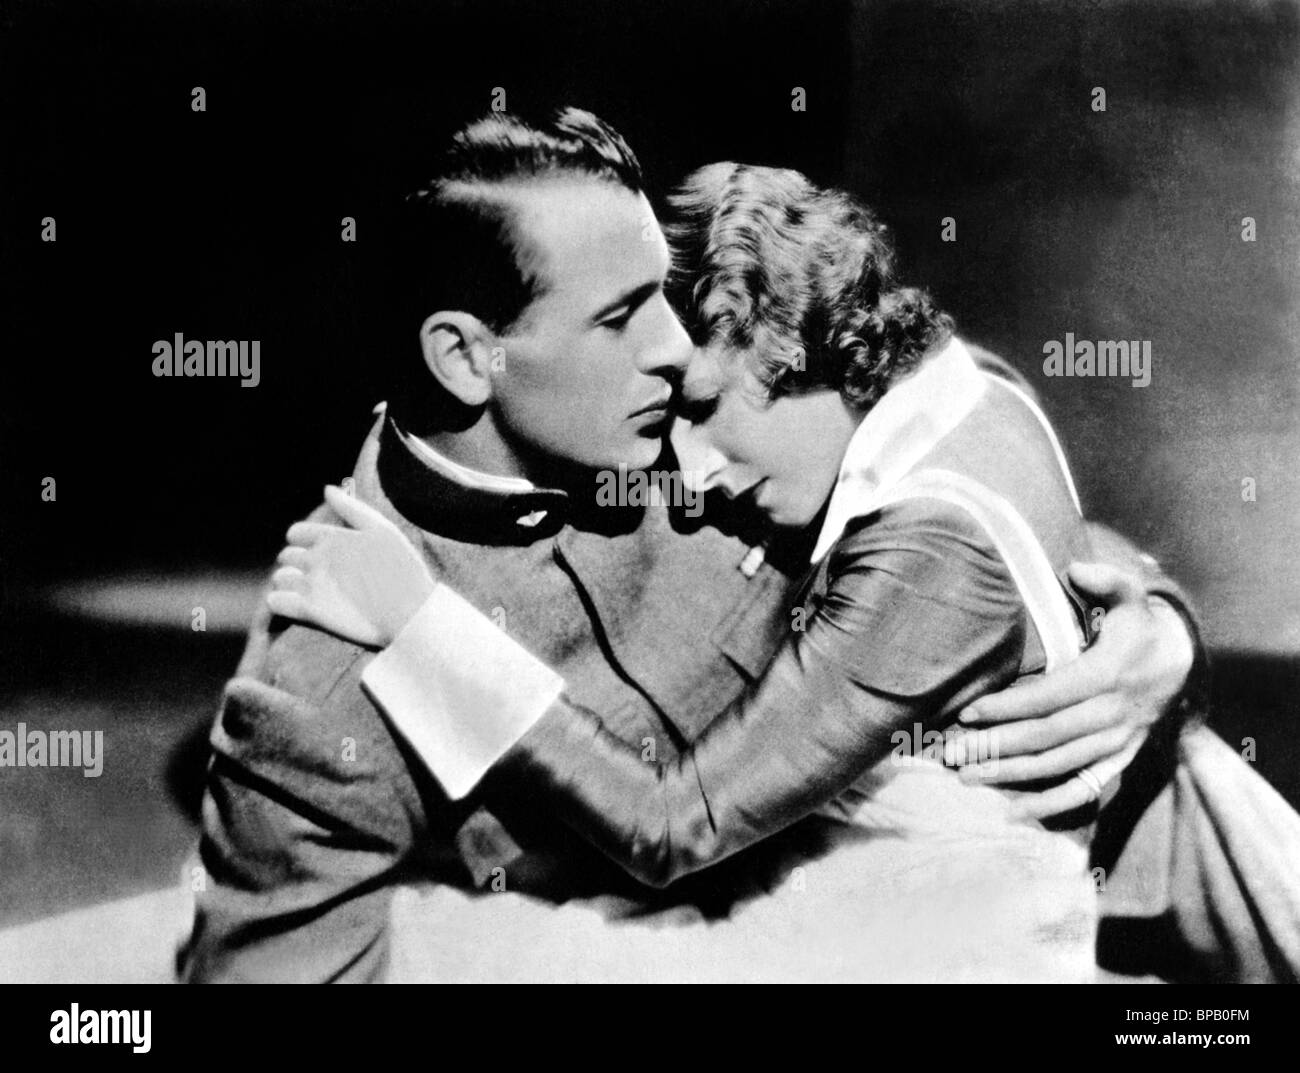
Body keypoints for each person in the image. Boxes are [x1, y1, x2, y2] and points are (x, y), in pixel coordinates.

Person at [183, 109, 1197, 983]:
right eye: (624, 314)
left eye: (661, 297)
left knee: (1208, 820)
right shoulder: (318, 698)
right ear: (465, 356)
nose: (673, 345)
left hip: (979, 890)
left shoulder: (697, 422)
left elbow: (954, 515)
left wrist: (1148, 624)